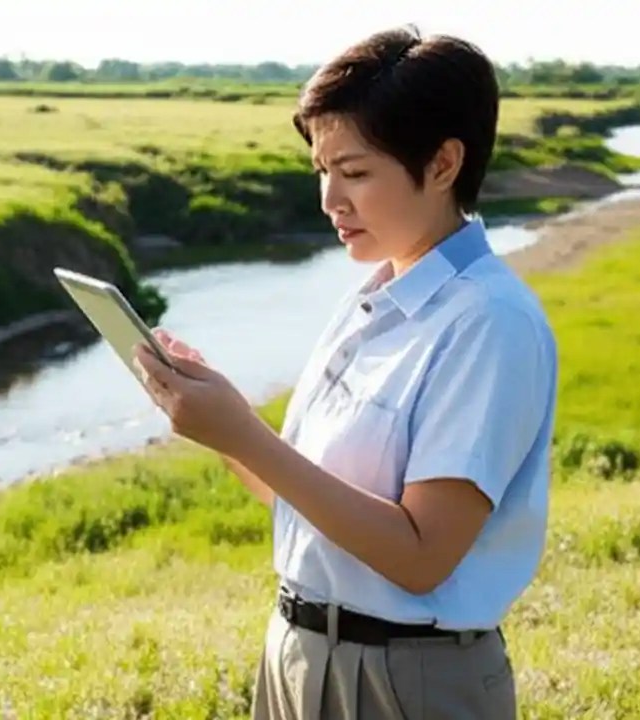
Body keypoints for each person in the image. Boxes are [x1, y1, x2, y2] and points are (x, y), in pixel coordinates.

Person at [132, 25, 558, 720]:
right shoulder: (372, 297)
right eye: (321, 172)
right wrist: (223, 423)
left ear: (445, 163)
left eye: (355, 173)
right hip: (300, 653)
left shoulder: (489, 321)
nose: (331, 200)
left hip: (407, 681)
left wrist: (246, 434)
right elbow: (314, 511)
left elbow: (422, 556)